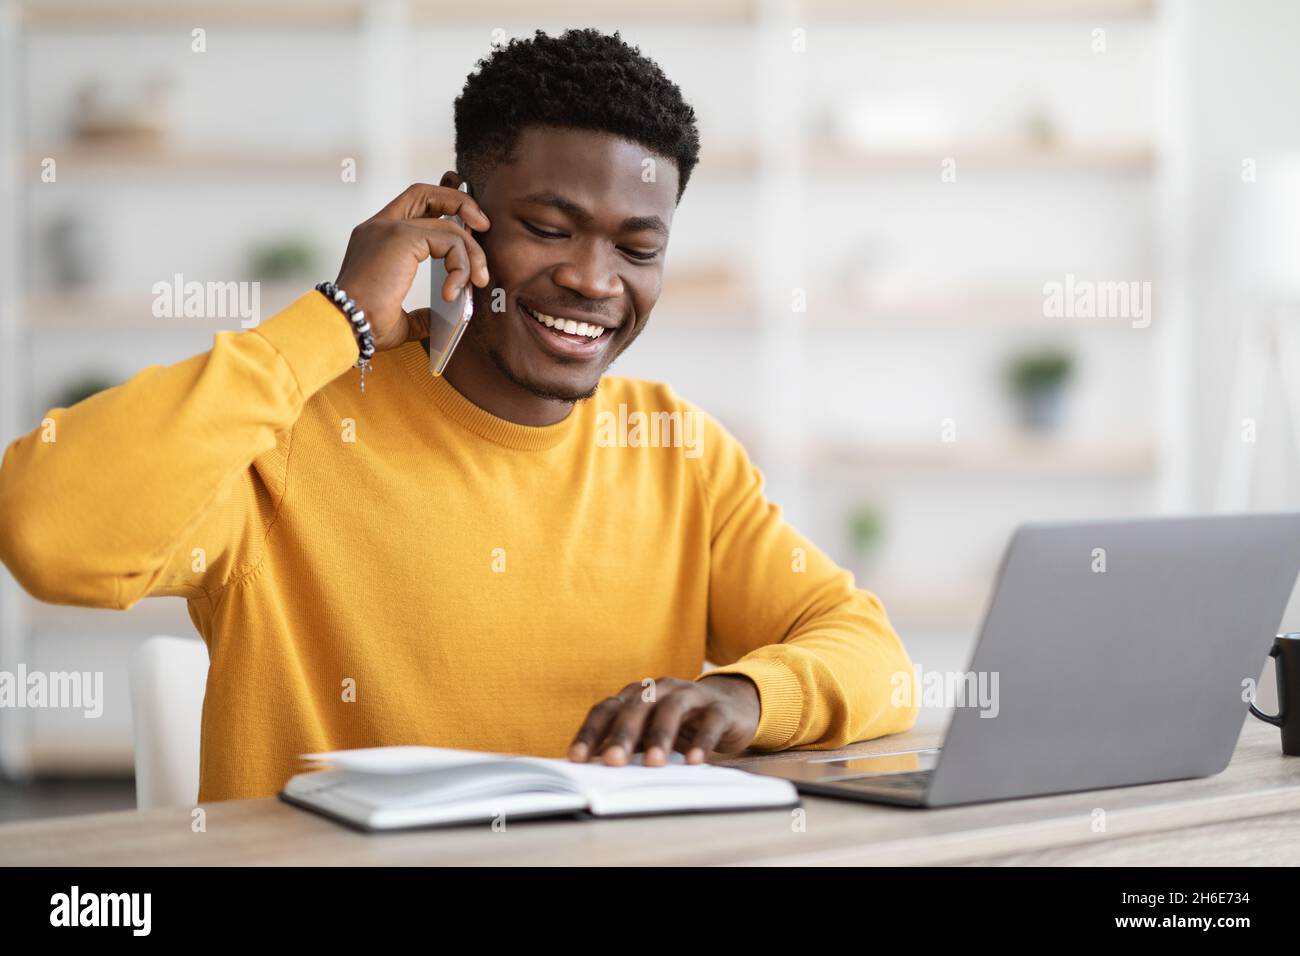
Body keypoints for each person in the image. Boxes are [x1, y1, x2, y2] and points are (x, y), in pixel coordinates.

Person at [0, 28, 916, 802]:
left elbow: (876, 658)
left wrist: (751, 698)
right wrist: (336, 321)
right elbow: (48, 532)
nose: (595, 282)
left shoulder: (676, 446)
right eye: (551, 229)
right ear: (454, 213)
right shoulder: (288, 429)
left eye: (637, 247)